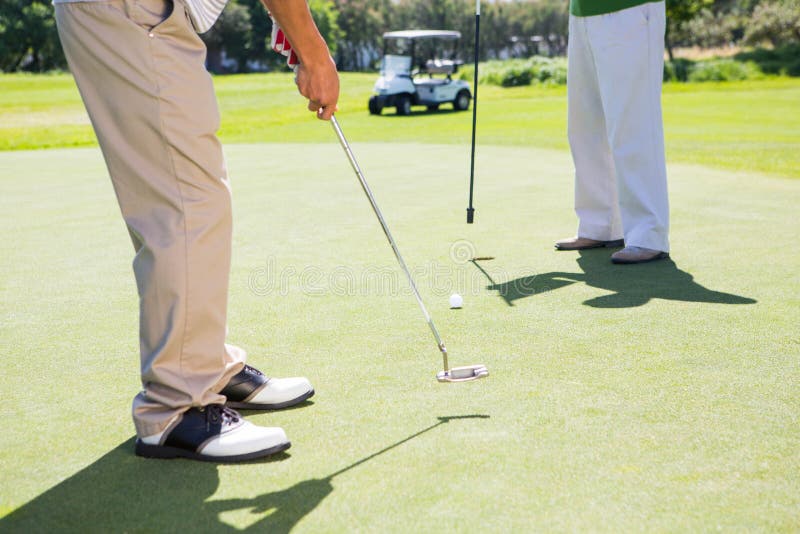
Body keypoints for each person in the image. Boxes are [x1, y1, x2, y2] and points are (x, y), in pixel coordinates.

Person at [54, 0, 339, 462]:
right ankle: (177, 406)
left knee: (186, 192)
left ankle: (204, 364)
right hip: (134, 12)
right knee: (186, 200)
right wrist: (314, 54)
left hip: (145, 14)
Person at [555, 0, 670, 264]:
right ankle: (599, 225)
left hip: (629, 9)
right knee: (585, 126)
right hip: (582, 12)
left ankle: (647, 234)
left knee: (632, 121)